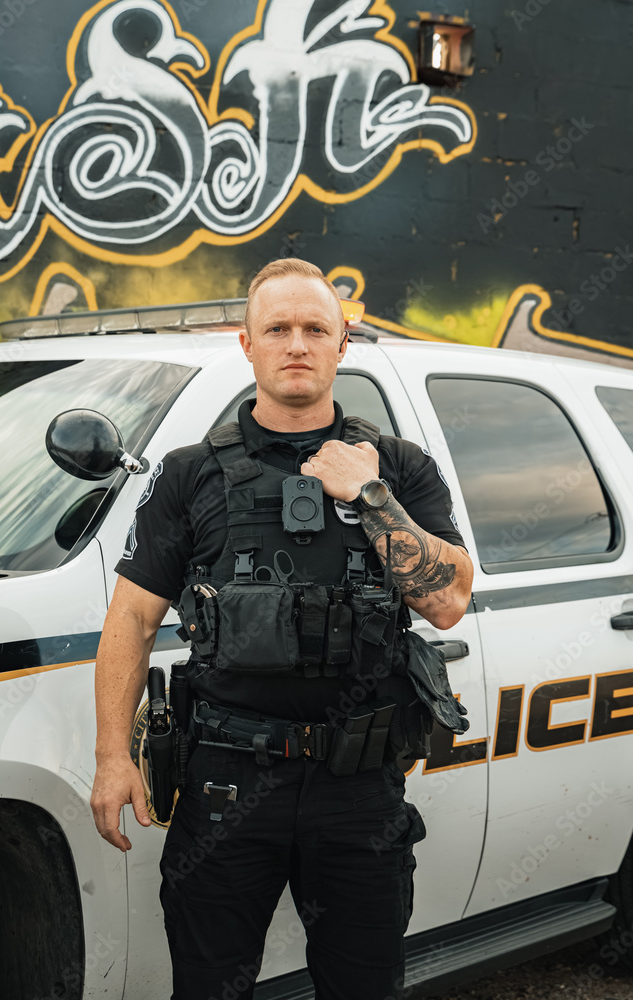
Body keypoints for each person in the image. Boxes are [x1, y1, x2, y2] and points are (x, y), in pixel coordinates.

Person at [90, 258, 474, 1000]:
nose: (295, 343)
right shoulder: (188, 474)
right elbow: (131, 619)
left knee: (361, 985)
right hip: (226, 782)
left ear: (341, 344)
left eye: (313, 329)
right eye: (277, 329)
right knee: (208, 985)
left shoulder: (397, 467)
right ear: (247, 345)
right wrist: (113, 755)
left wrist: (367, 494)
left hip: (358, 789)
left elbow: (448, 601)